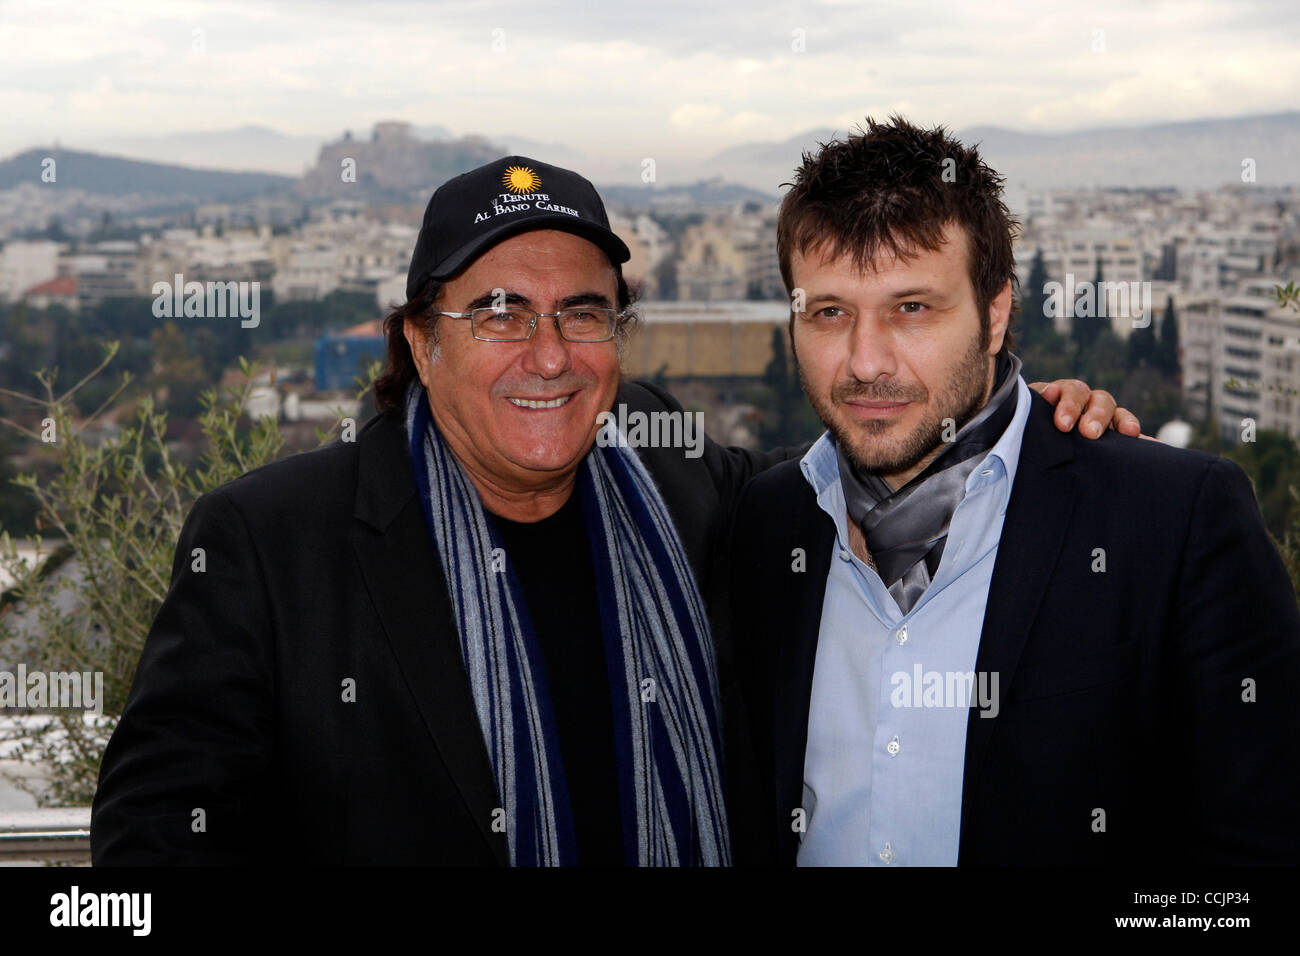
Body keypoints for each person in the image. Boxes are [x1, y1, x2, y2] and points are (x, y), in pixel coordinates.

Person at [91, 155, 1133, 866]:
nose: (547, 354)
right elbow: (148, 847)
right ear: (419, 339)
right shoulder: (273, 543)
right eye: (498, 312)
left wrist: (1015, 417)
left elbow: (874, 461)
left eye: (580, 313)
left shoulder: (688, 490)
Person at [728, 116, 1300, 867]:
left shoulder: (1172, 522)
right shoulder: (765, 527)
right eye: (830, 313)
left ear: (994, 314)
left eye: (912, 308)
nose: (865, 362)